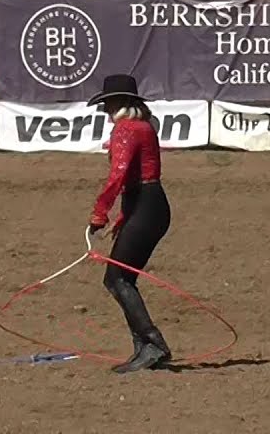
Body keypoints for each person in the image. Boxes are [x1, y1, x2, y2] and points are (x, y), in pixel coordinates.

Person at [87, 74, 173, 373]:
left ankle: (152, 344)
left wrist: (100, 212)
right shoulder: (144, 127)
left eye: (108, 104)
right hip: (149, 204)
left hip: (145, 206)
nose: (106, 111)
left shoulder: (125, 130)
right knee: (121, 278)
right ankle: (145, 347)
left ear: (117, 103)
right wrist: (124, 214)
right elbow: (137, 176)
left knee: (117, 279)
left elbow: (118, 175)